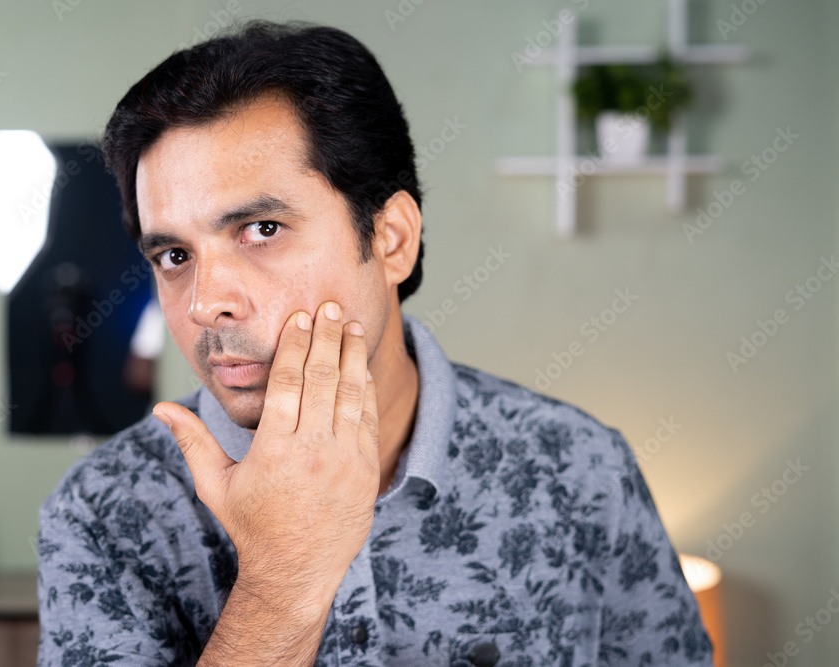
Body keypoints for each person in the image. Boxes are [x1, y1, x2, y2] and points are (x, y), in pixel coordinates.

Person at [36, 19, 714, 667]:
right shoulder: (102, 511)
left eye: (262, 229)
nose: (207, 300)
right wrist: (283, 583)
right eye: (175, 254)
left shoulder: (582, 469)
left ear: (390, 238)